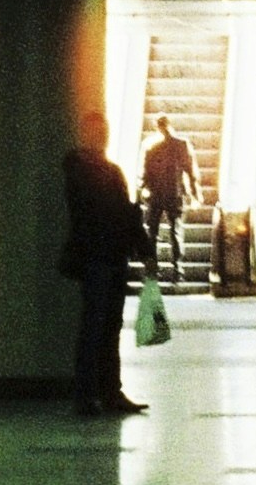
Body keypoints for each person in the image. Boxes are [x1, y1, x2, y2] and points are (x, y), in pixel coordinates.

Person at [58, 112, 146, 418]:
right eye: (98, 132)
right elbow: (117, 212)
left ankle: (106, 391)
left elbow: (124, 212)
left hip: (109, 257)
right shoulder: (83, 169)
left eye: (104, 131)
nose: (103, 137)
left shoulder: (106, 171)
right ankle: (93, 393)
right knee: (97, 327)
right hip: (99, 257)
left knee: (107, 326)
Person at [140, 114, 202, 285]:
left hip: (156, 195)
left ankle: (152, 271)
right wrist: (195, 193)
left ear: (157, 127)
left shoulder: (151, 147)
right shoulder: (181, 145)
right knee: (175, 232)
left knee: (152, 233)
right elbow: (190, 171)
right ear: (169, 125)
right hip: (175, 194)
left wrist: (142, 191)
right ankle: (177, 272)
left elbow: (145, 175)